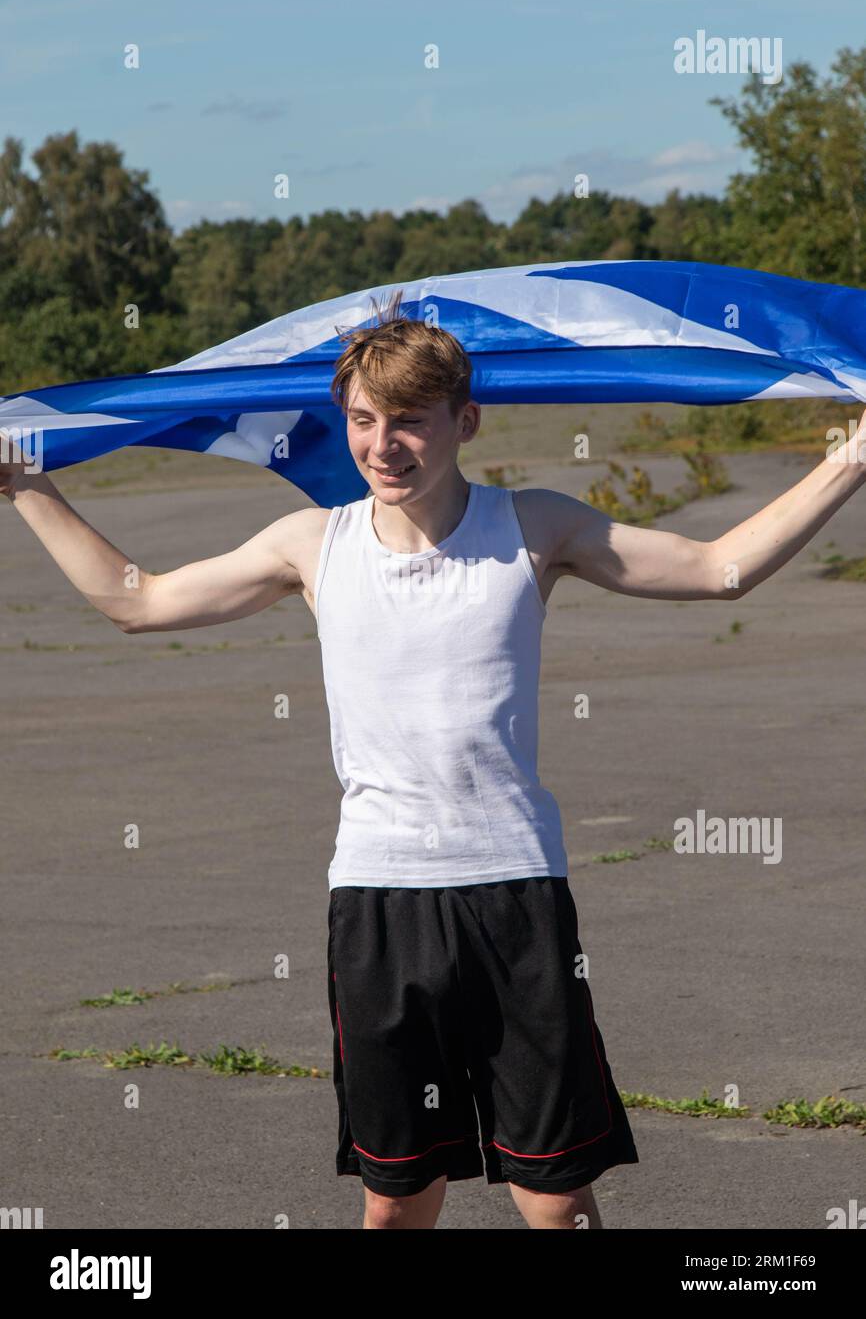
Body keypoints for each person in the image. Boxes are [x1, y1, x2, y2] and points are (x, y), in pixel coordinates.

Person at [3, 290, 865, 1230]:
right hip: (380, 901)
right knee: (399, 1202)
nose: (383, 445)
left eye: (411, 421)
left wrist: (851, 458)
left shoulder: (533, 528)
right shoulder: (311, 544)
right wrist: (23, 483)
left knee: (555, 1200)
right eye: (365, 420)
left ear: (467, 420)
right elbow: (140, 601)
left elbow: (719, 569)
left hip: (516, 897)